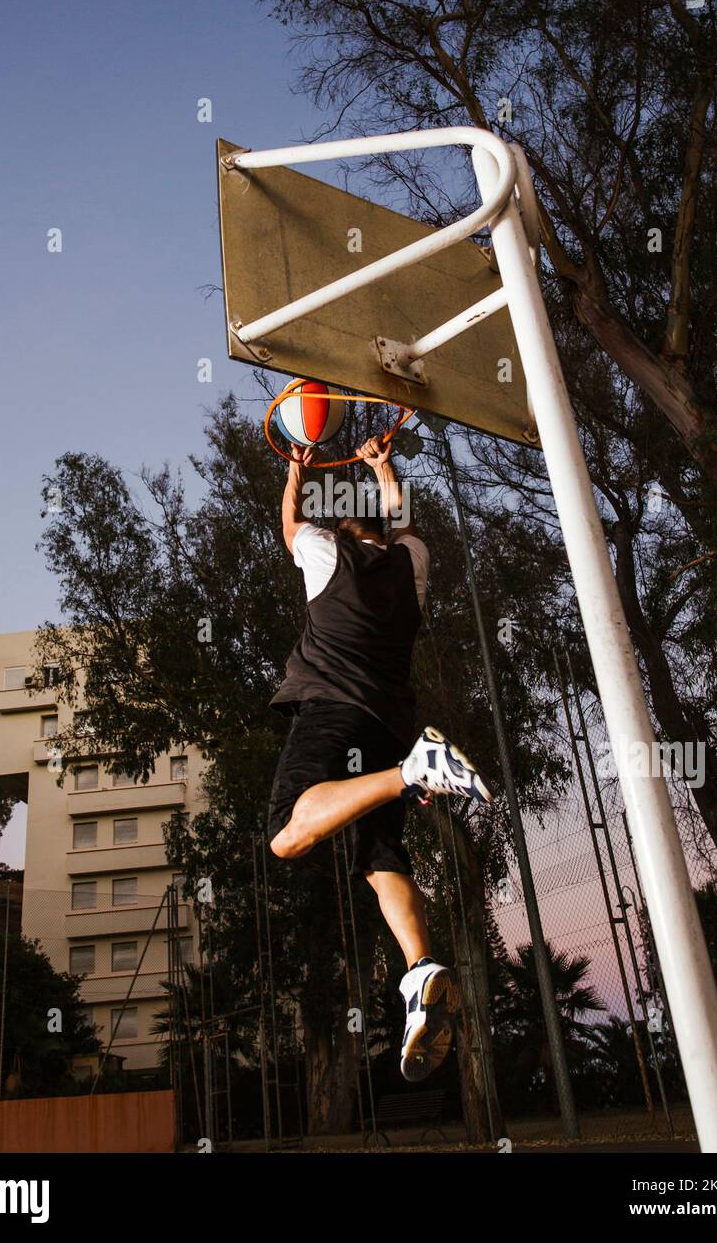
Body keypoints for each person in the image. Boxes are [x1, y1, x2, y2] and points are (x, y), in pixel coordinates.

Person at [267, 433, 493, 1081]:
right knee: (378, 854)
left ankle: (413, 772)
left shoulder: (322, 550)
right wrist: (382, 467)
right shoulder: (412, 563)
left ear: (344, 528)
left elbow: (289, 525)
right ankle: (421, 971)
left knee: (287, 832)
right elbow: (408, 522)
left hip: (339, 713)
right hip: (389, 718)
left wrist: (295, 472)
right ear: (386, 535)